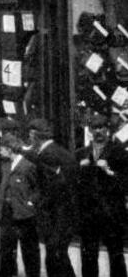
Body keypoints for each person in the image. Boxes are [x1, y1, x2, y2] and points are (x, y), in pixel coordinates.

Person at [20, 118, 77, 277]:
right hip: (67, 212)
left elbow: (52, 187)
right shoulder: (60, 151)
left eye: (31, 134)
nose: (30, 138)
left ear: (35, 135)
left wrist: (35, 201)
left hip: (56, 214)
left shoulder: (47, 154)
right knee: (59, 254)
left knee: (54, 256)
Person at [75, 114, 128, 277]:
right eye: (94, 128)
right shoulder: (81, 153)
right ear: (90, 131)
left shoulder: (119, 152)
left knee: (115, 254)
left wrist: (109, 171)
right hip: (89, 213)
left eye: (101, 127)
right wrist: (79, 169)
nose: (98, 131)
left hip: (111, 213)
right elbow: (74, 183)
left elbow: (126, 181)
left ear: (108, 130)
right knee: (88, 255)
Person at [0, 134, 40, 277]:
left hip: (24, 212)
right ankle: (6, 271)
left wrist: (31, 202)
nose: (0, 151)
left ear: (10, 149)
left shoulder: (27, 166)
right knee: (5, 243)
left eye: (2, 148)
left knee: (28, 246)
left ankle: (33, 274)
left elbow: (38, 188)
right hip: (7, 209)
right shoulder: (5, 165)